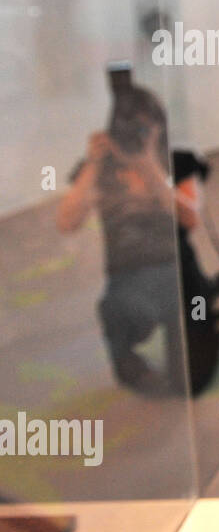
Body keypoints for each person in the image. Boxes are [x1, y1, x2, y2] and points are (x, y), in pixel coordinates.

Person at [57, 75, 186, 396]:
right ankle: (128, 363)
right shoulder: (101, 167)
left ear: (159, 128)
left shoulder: (172, 161)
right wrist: (92, 164)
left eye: (143, 129)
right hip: (126, 276)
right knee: (114, 308)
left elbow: (186, 216)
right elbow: (67, 221)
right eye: (128, 130)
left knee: (184, 377)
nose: (134, 137)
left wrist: (147, 165)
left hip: (173, 271)